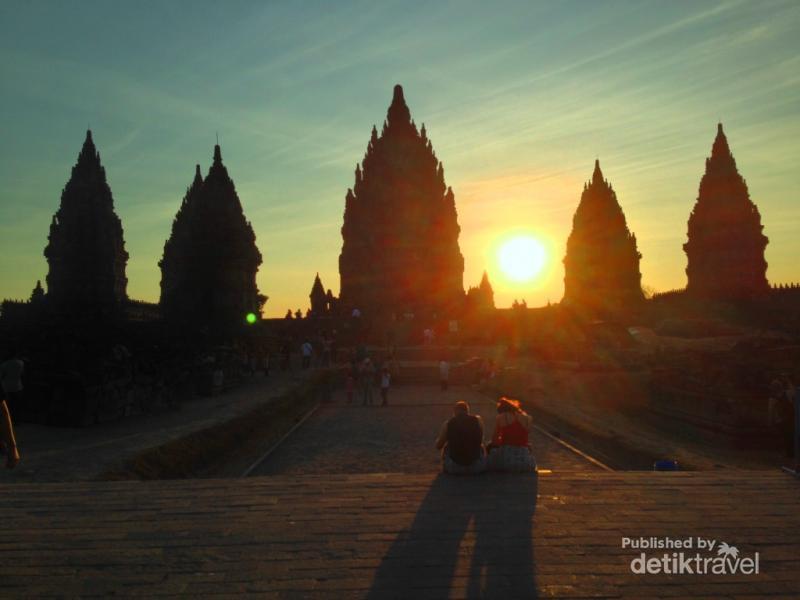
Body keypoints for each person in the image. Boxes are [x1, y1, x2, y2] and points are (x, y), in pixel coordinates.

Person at [435, 401, 486, 474]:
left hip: (454, 468)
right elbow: (480, 441)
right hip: (476, 467)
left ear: (455, 412)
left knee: (446, 447)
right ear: (467, 411)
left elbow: (439, 446)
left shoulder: (448, 423)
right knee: (481, 447)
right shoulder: (478, 421)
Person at [487, 397, 535, 472]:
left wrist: (502, 440)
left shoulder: (501, 417)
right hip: (525, 461)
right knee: (529, 446)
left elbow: (494, 441)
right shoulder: (528, 418)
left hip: (507, 460)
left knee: (490, 446)